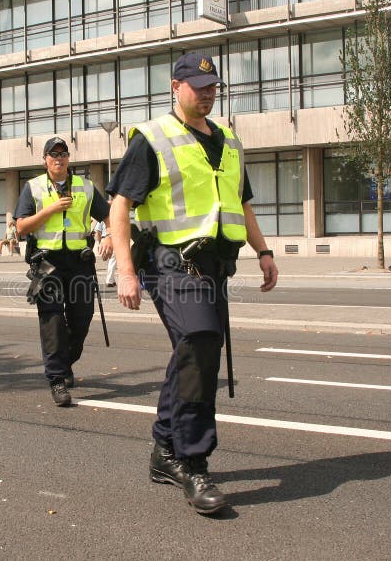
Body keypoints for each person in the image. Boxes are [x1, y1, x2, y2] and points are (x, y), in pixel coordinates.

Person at [108, 53, 278, 515]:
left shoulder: (229, 143)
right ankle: (192, 460)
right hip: (169, 262)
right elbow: (120, 207)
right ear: (175, 86)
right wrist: (125, 270)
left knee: (193, 350)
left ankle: (164, 450)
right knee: (202, 344)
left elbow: (242, 205)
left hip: (216, 265)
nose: (206, 92)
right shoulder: (153, 138)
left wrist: (263, 252)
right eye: (198, 85)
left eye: (212, 86)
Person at [15, 136, 112, 407]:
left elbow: (108, 215)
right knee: (53, 321)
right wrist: (51, 209)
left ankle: (66, 360)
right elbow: (21, 227)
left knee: (82, 319)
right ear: (45, 159)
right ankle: (57, 378)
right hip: (47, 264)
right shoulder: (33, 187)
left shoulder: (85, 186)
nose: (58, 158)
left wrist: (110, 235)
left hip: (79, 262)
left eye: (63, 154)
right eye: (53, 154)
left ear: (69, 158)